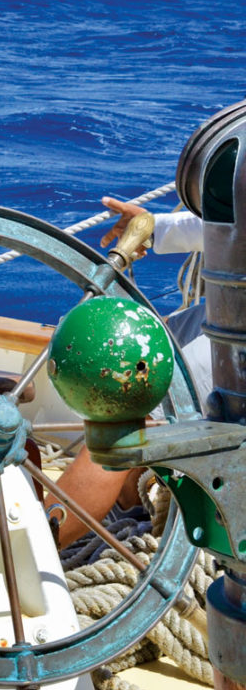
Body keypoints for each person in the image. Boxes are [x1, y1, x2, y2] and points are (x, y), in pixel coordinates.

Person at [46, 196, 208, 549]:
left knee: (122, 398)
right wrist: (160, 229)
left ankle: (33, 546)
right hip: (226, 315)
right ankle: (131, 493)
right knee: (151, 356)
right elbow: (233, 228)